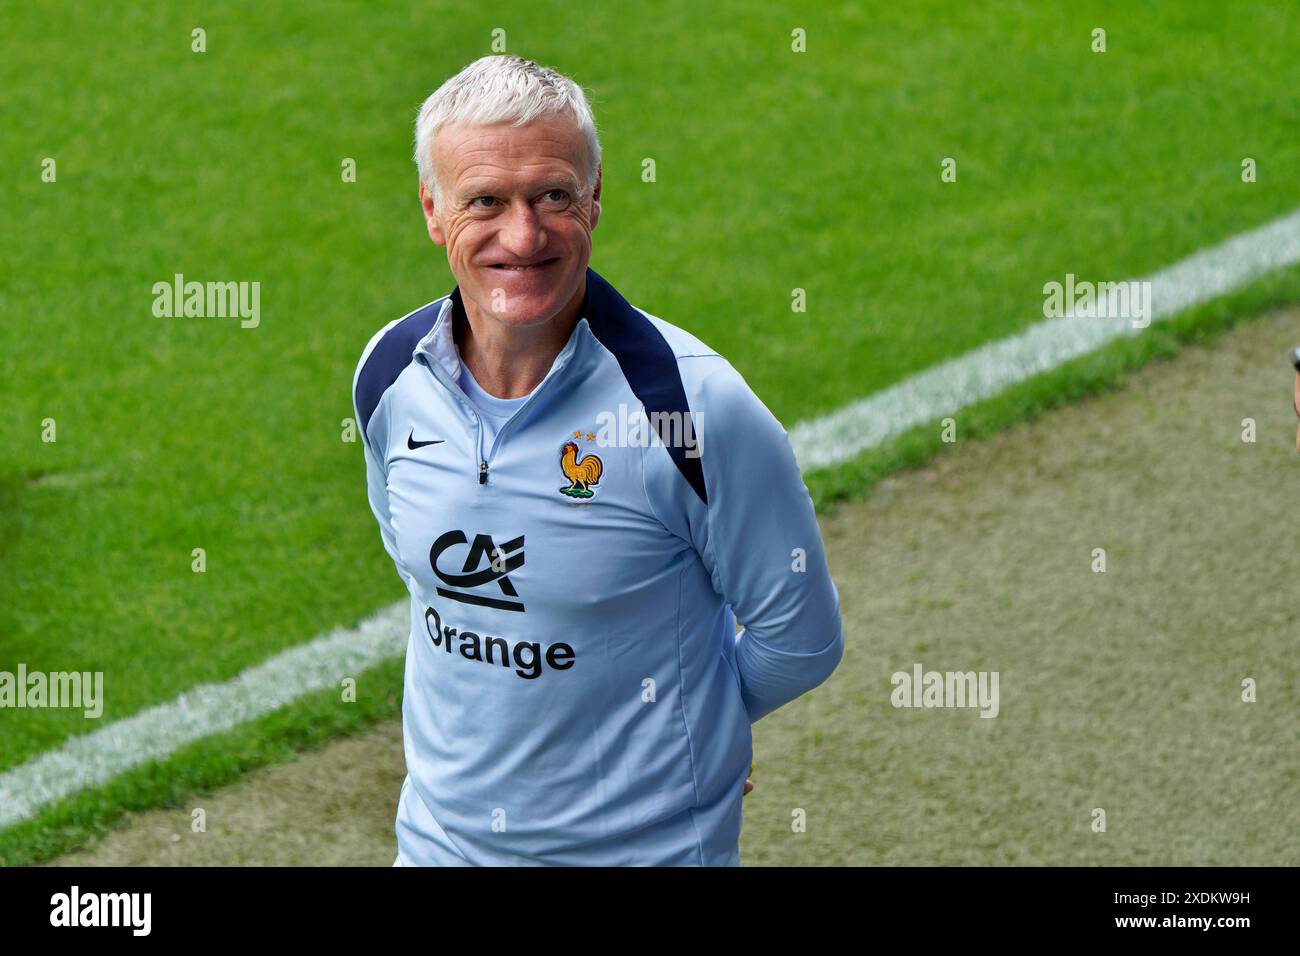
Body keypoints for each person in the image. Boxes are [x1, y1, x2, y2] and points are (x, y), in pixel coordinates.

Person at [352, 54, 843, 865]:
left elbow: (800, 640)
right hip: (441, 849)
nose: (524, 235)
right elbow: (418, 570)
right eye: (485, 201)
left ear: (598, 196)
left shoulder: (690, 410)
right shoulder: (388, 377)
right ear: (433, 211)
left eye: (553, 195)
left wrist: (697, 728)